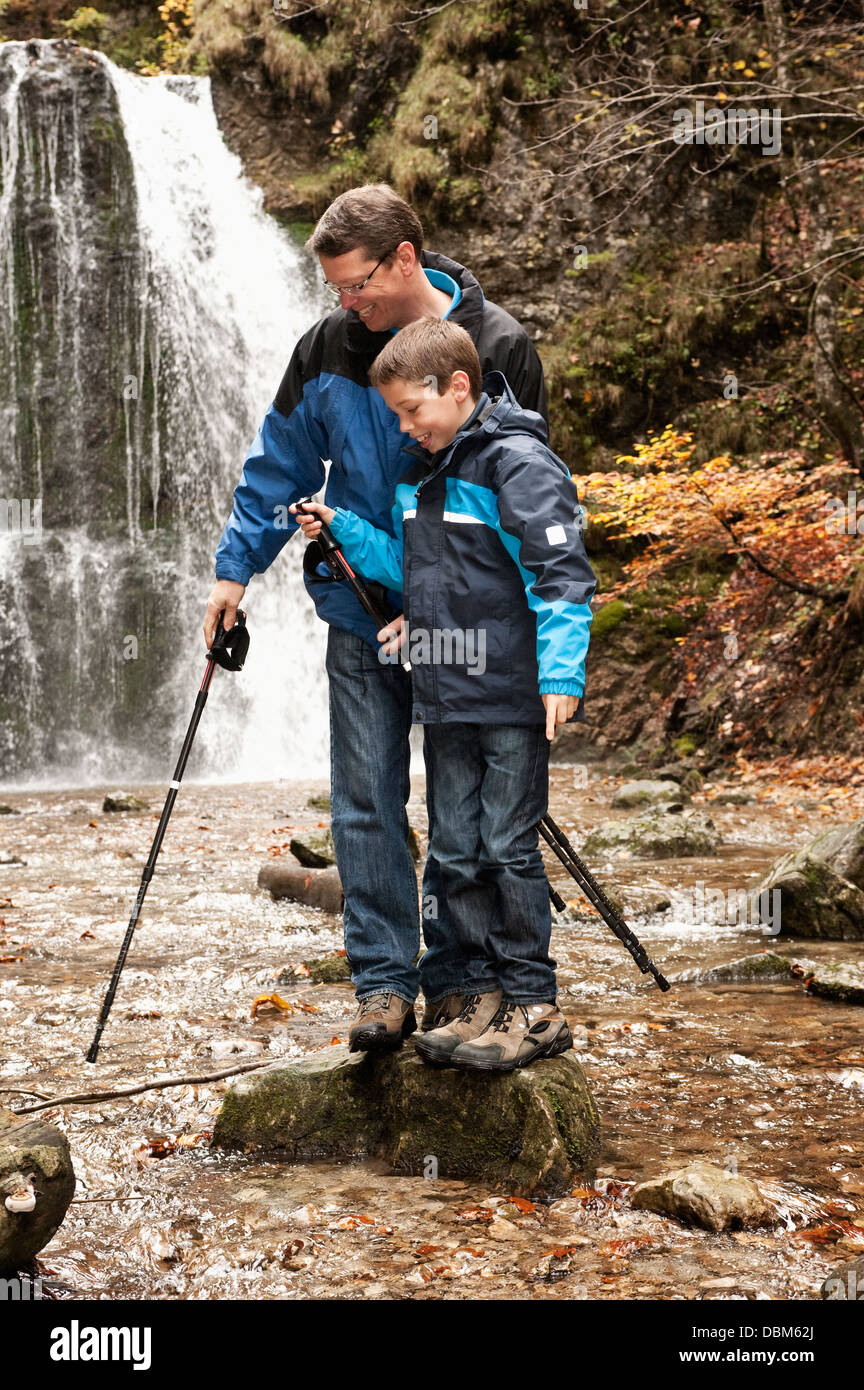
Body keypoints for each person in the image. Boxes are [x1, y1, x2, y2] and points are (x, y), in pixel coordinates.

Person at [203, 184, 548, 1053]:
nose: (344, 304)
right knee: (364, 802)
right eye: (334, 290)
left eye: (356, 285)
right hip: (362, 606)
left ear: (404, 258)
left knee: (471, 810)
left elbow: (532, 501)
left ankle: (469, 985)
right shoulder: (325, 349)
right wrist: (233, 572)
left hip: (466, 628)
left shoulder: (499, 345)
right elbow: (278, 462)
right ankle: (386, 986)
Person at [291, 317, 596, 1072]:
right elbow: (407, 564)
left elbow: (560, 576)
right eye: (394, 415)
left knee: (504, 848)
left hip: (511, 700)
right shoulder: (424, 471)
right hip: (446, 696)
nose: (404, 427)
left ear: (458, 388)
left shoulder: (517, 466)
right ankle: (477, 996)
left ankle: (535, 1004)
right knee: (455, 851)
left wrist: (561, 674)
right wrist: (342, 529)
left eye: (410, 412)